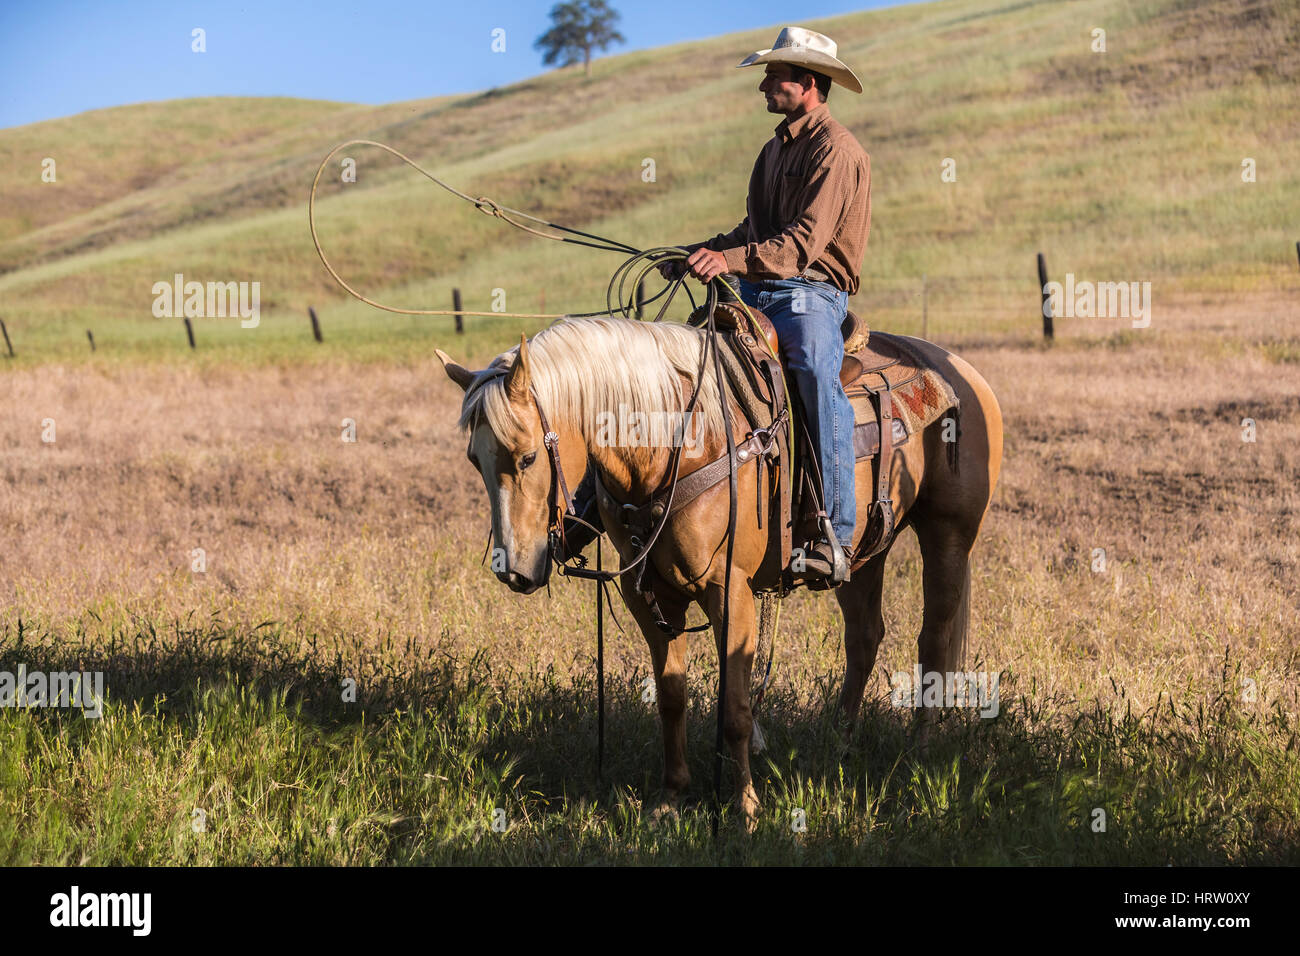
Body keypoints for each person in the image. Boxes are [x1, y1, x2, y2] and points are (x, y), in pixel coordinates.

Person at [563, 26, 872, 583]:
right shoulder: (772, 151)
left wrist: (728, 262)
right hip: (756, 287)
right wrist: (699, 254)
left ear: (806, 82)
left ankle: (834, 531)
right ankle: (587, 508)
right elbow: (753, 230)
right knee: (672, 366)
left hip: (810, 293)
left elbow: (802, 244)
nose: (763, 85)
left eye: (773, 76)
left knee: (811, 373)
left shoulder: (839, 151)